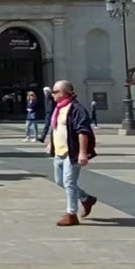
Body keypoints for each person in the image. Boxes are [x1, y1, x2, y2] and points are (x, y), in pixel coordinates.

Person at [47, 80, 97, 226]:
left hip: (72, 152)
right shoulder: (58, 108)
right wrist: (51, 143)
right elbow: (56, 128)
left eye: (55, 92)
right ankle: (86, 199)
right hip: (59, 151)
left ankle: (71, 214)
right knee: (60, 181)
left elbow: (83, 131)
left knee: (69, 182)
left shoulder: (76, 109)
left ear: (63, 93)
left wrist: (82, 152)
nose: (52, 95)